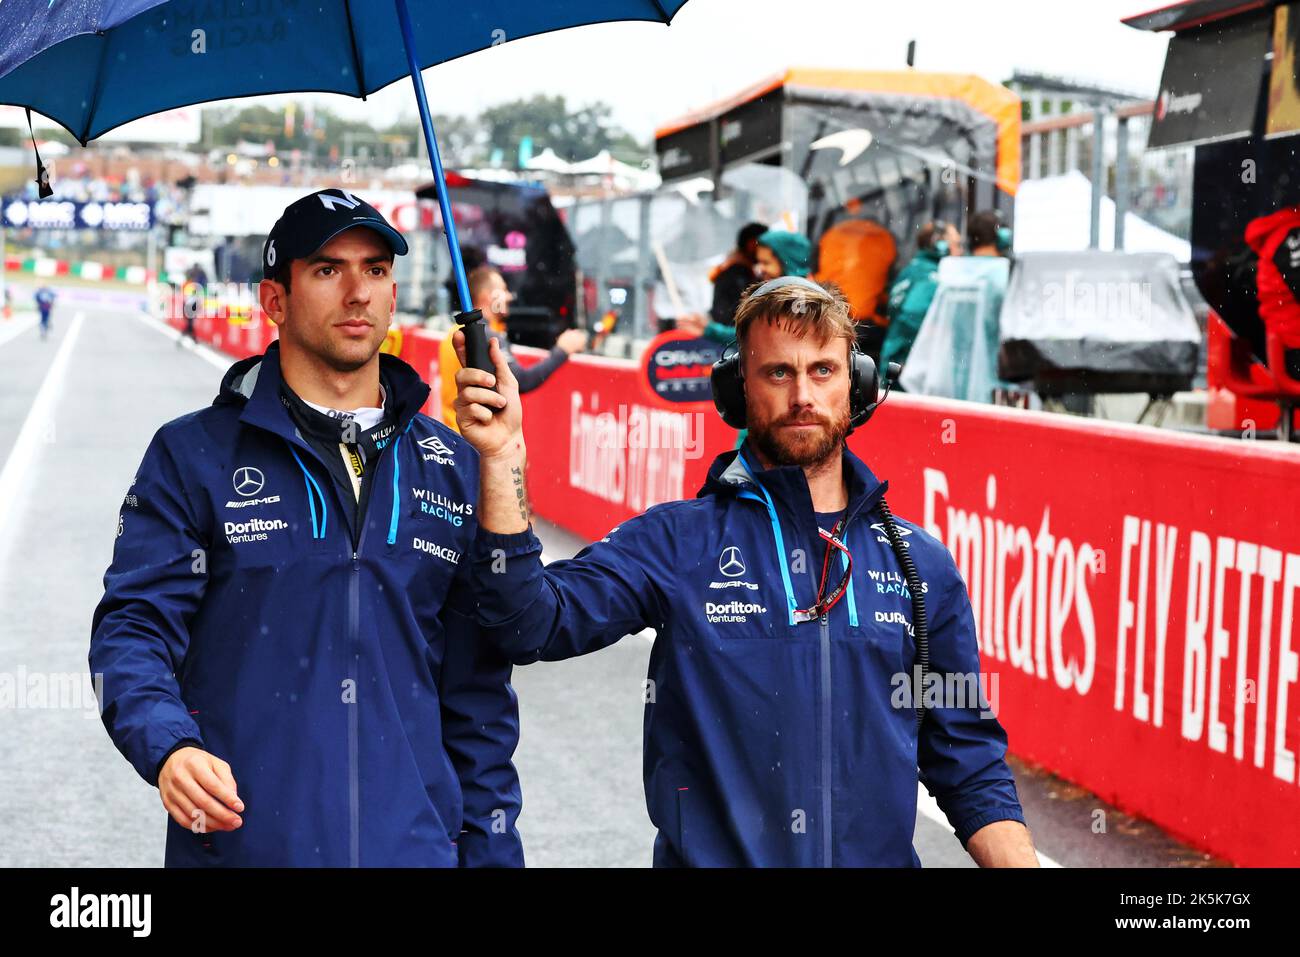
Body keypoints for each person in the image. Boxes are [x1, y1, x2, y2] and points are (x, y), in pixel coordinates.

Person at [452, 276, 1039, 868]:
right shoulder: (677, 541)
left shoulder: (922, 566)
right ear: (737, 391)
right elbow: (526, 623)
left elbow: (967, 758)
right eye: (778, 372)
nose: (803, 395)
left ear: (856, 386)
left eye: (823, 371)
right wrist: (501, 461)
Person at [90, 187, 523, 867]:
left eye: (376, 269)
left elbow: (478, 700)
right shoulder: (191, 455)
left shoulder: (450, 466)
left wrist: (494, 856)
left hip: (411, 851)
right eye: (328, 269)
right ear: (274, 301)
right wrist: (169, 745)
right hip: (245, 848)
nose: (358, 293)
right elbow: (132, 630)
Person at [438, 264, 587, 433]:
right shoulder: (484, 336)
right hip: (474, 441)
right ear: (487, 297)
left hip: (454, 433)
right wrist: (562, 350)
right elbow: (521, 380)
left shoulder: (455, 332)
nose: (509, 296)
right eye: (503, 289)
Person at [899, 210, 1016, 403]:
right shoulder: (1004, 274)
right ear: (1003, 239)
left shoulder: (950, 271)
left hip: (948, 371)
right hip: (991, 376)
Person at [879, 220, 964, 376]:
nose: (960, 251)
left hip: (895, 359)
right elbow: (911, 317)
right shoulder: (932, 277)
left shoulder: (912, 269)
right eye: (957, 244)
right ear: (940, 246)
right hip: (909, 367)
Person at [676, 222, 766, 344]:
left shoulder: (733, 269)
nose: (764, 266)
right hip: (730, 344)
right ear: (751, 244)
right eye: (764, 246)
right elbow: (735, 319)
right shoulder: (738, 273)